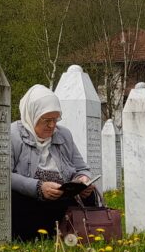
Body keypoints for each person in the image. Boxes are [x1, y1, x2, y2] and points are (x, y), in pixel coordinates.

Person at [10, 84, 94, 240]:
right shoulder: (13, 134)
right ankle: (35, 236)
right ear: (32, 115)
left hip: (62, 198)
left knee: (90, 195)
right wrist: (38, 187)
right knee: (16, 200)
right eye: (46, 120)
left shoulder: (63, 134)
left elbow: (82, 168)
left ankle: (75, 232)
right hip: (32, 199)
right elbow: (4, 176)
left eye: (56, 119)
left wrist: (83, 180)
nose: (52, 125)